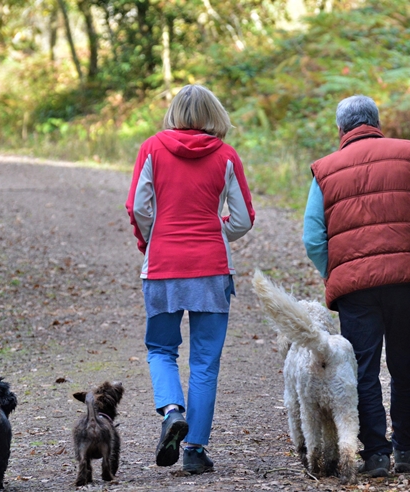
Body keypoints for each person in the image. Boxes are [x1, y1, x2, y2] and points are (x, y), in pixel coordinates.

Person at [302, 95, 410, 477]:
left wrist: (332, 270)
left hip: (354, 288)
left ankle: (377, 454)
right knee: (404, 363)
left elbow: (313, 238)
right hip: (406, 281)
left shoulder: (325, 169)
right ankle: (407, 447)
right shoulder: (408, 153)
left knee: (363, 369)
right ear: (376, 122)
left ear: (341, 130)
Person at [125, 84, 255, 475]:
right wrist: (218, 232)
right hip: (212, 268)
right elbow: (244, 217)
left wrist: (151, 238)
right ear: (214, 114)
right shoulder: (227, 155)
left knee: (161, 349)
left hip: (163, 265)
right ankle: (195, 449)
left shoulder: (151, 148)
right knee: (205, 361)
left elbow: (138, 206)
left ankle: (171, 411)